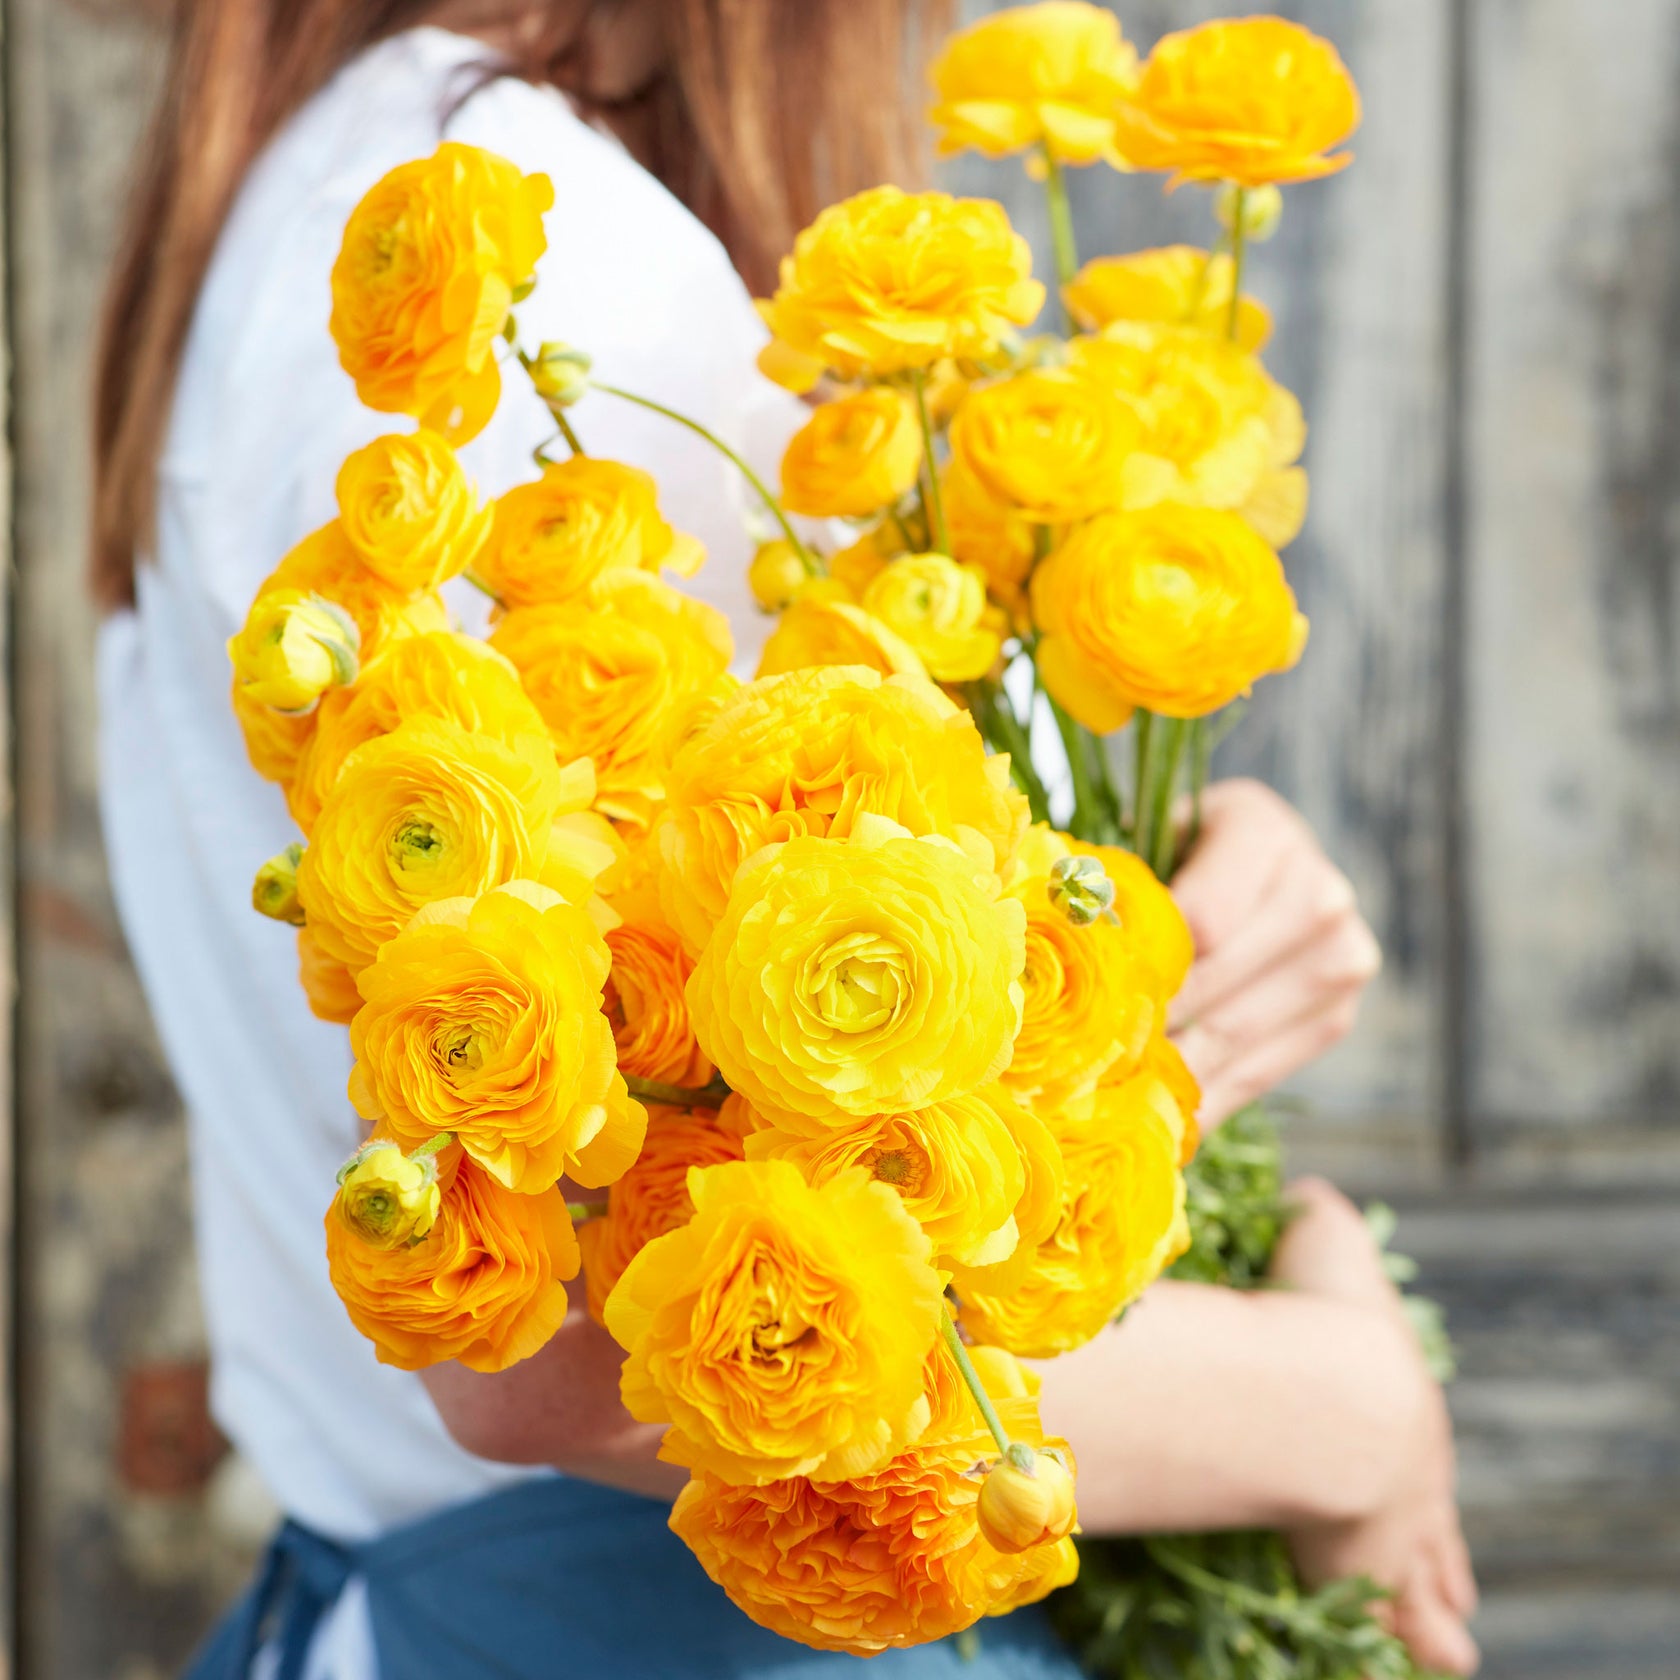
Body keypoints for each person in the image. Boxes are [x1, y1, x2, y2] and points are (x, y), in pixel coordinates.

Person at [91, 3, 1476, 1676]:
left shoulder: (309, 205)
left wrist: (1139, 879)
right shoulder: (528, 256)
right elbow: (559, 1362)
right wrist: (1345, 1412)